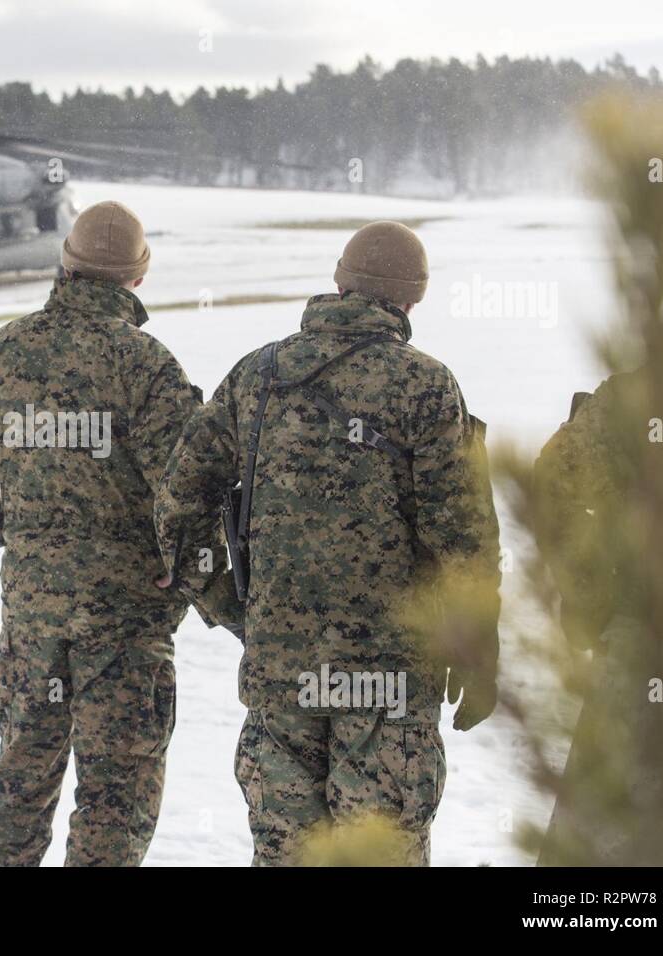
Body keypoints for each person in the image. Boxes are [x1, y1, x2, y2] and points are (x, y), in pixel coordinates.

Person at [155, 221, 501, 865]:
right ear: (411, 301)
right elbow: (464, 538)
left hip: (283, 673)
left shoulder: (256, 376)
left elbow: (178, 502)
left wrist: (234, 609)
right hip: (390, 676)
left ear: (339, 282)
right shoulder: (424, 386)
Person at [0, 201, 231, 866]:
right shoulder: (146, 366)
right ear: (137, 280)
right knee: (115, 795)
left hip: (34, 615)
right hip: (125, 621)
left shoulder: (2, 353)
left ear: (66, 263)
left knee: (21, 775)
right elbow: (186, 491)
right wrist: (208, 586)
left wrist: (12, 530)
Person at [533, 236, 663, 864]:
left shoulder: (635, 394)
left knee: (600, 854)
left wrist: (590, 592)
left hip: (642, 640)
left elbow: (550, 489)